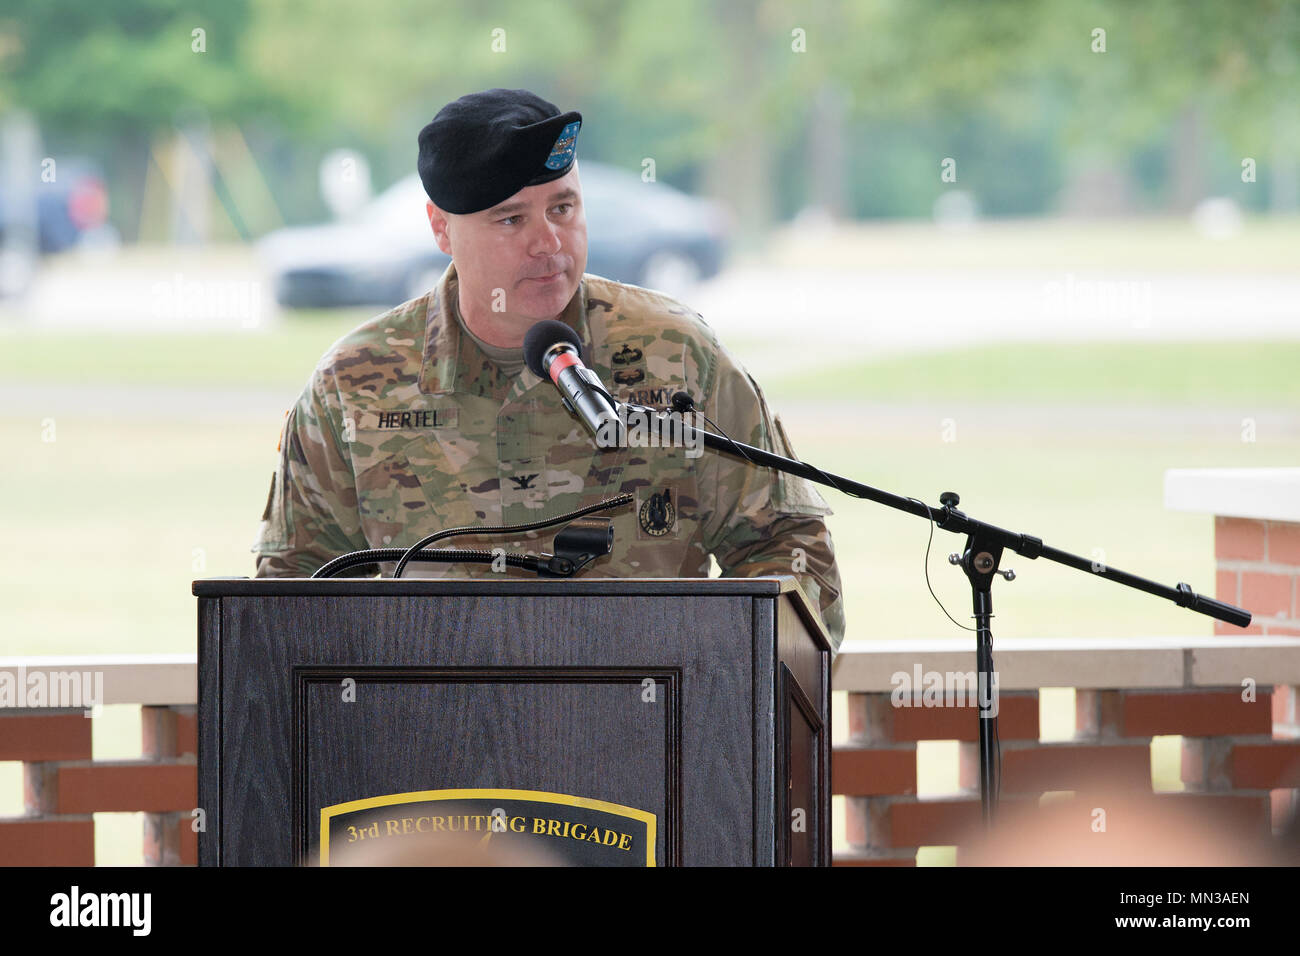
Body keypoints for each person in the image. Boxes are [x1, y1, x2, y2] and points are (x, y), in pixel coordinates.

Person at [253, 88, 846, 651]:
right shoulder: (356, 382)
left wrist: (709, 672)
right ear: (441, 228)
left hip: (654, 729)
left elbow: (789, 549)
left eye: (563, 207)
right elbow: (292, 593)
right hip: (433, 740)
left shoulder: (678, 355)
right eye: (512, 219)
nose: (549, 242)